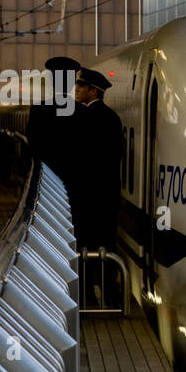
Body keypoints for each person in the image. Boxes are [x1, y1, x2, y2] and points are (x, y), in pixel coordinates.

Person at [66, 67, 123, 251]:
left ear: (93, 91)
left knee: (86, 243)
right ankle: (106, 276)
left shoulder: (82, 117)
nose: (77, 89)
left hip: (86, 196)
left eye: (81, 86)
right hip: (108, 194)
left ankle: (89, 278)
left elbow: (77, 157)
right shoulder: (113, 117)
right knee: (106, 241)